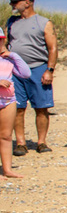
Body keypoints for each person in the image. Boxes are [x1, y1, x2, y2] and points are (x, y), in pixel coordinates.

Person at [3, 0, 56, 156]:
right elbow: (3, 44)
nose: (11, 4)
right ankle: (20, 143)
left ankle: (41, 142)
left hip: (38, 68)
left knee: (41, 107)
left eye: (15, 1)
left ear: (28, 2)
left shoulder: (44, 22)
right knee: (18, 108)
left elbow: (52, 47)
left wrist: (49, 70)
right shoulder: (11, 22)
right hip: (15, 70)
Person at [1, 32, 31, 178]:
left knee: (6, 136)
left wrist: (14, 56)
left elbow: (25, 74)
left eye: (0, 40)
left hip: (8, 101)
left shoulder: (8, 59)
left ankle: (7, 170)